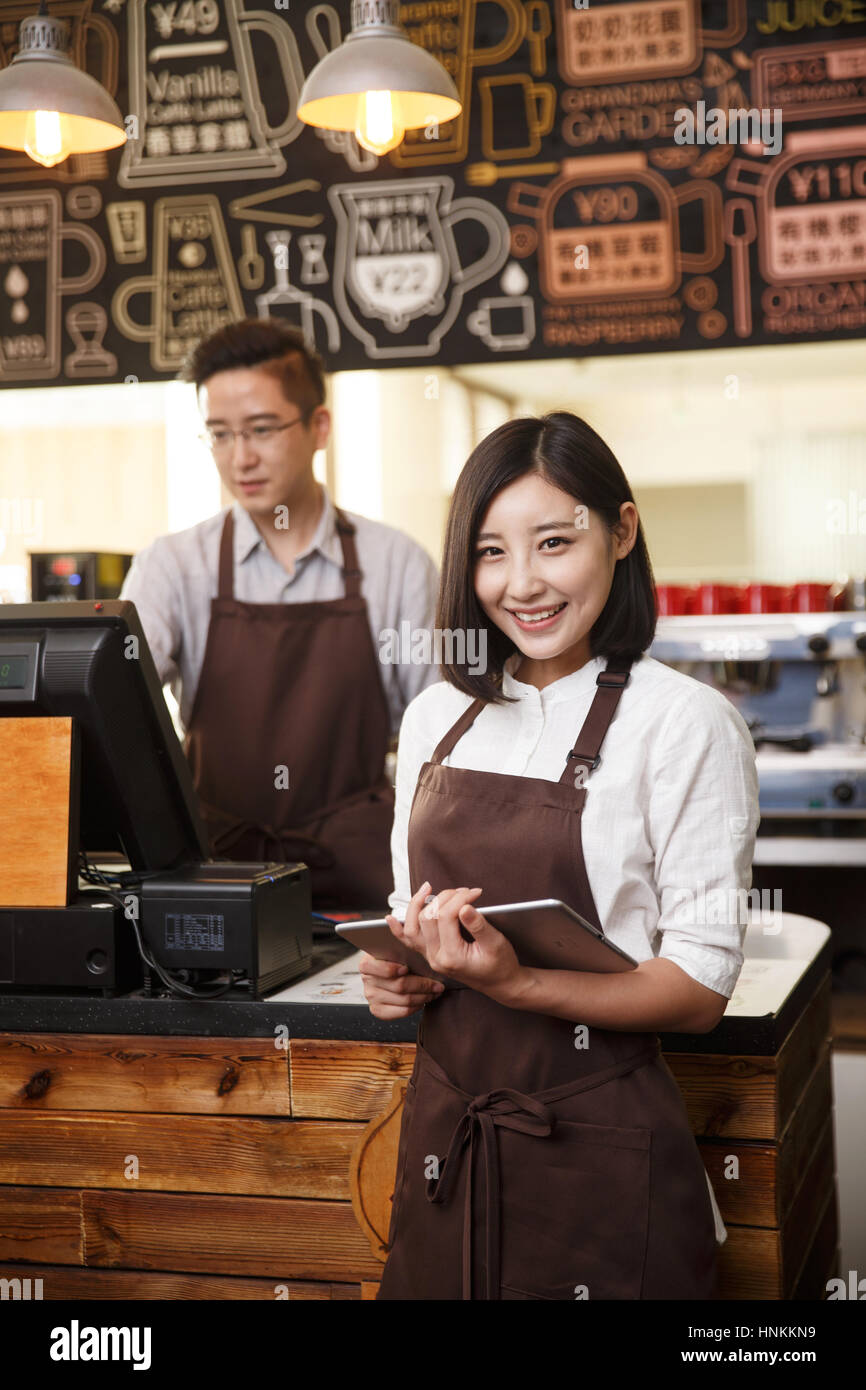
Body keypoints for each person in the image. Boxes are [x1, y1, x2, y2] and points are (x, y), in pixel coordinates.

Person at [360, 410, 760, 1300]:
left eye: (553, 542)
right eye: (492, 552)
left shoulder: (685, 724)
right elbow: (413, 917)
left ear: (620, 533)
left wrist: (517, 984)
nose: (522, 583)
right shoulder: (435, 718)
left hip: (600, 1151)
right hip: (446, 1138)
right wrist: (403, 971)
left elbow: (697, 991)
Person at [121, 318, 439, 908]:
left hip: (362, 881)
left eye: (261, 429)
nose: (240, 457)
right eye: (219, 434)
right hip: (215, 876)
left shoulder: (397, 563)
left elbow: (443, 739)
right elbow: (117, 705)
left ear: (318, 426)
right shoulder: (172, 565)